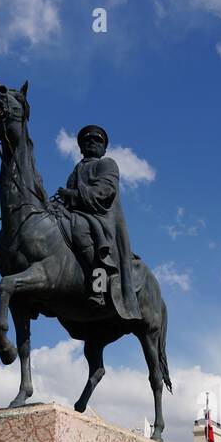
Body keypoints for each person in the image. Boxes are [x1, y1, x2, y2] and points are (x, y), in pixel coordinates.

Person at [55, 125, 140, 318]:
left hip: (101, 218)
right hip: (77, 214)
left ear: (104, 149)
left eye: (97, 140)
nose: (92, 142)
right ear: (81, 147)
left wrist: (73, 194)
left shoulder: (107, 164)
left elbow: (104, 192)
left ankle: (98, 287)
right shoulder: (76, 170)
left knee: (81, 231)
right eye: (87, 140)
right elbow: (70, 201)